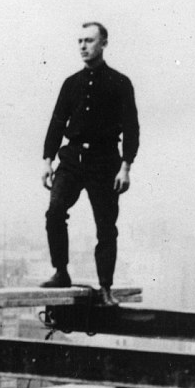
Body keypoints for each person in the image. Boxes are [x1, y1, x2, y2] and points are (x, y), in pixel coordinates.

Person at [39, 21, 139, 306]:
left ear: (103, 43)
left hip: (105, 161)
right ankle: (61, 272)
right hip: (71, 160)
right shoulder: (71, 83)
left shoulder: (120, 83)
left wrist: (125, 167)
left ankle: (105, 287)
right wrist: (48, 160)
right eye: (80, 41)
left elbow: (132, 128)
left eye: (90, 41)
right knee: (55, 211)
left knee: (106, 227)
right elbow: (57, 123)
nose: (83, 46)